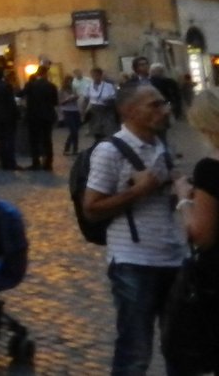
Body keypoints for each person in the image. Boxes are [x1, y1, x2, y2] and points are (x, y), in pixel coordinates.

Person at [83, 84, 188, 376]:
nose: (164, 110)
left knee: (180, 348)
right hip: (133, 261)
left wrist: (179, 193)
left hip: (172, 256)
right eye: (154, 105)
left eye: (163, 104)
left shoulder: (161, 146)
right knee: (135, 351)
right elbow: (91, 208)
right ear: (129, 111)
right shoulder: (109, 151)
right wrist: (140, 191)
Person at [21, 64, 60, 172]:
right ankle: (48, 163)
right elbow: (55, 102)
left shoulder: (31, 85)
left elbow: (21, 94)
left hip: (33, 116)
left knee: (34, 140)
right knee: (47, 139)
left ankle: (35, 162)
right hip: (47, 116)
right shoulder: (51, 86)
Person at [84, 67, 119, 143]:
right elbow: (86, 98)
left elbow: (114, 97)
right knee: (96, 132)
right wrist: (84, 111)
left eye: (96, 75)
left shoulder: (108, 86)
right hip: (94, 111)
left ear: (100, 75)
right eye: (93, 75)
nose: (95, 77)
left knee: (108, 131)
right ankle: (98, 145)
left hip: (106, 110)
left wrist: (108, 100)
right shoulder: (89, 86)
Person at [60, 68, 85, 157]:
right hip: (67, 111)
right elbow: (61, 102)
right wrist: (68, 99)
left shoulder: (73, 89)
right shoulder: (62, 90)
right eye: (69, 81)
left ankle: (75, 149)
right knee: (73, 130)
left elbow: (76, 97)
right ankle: (67, 148)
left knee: (76, 131)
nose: (70, 83)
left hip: (75, 110)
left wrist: (75, 98)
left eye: (71, 81)